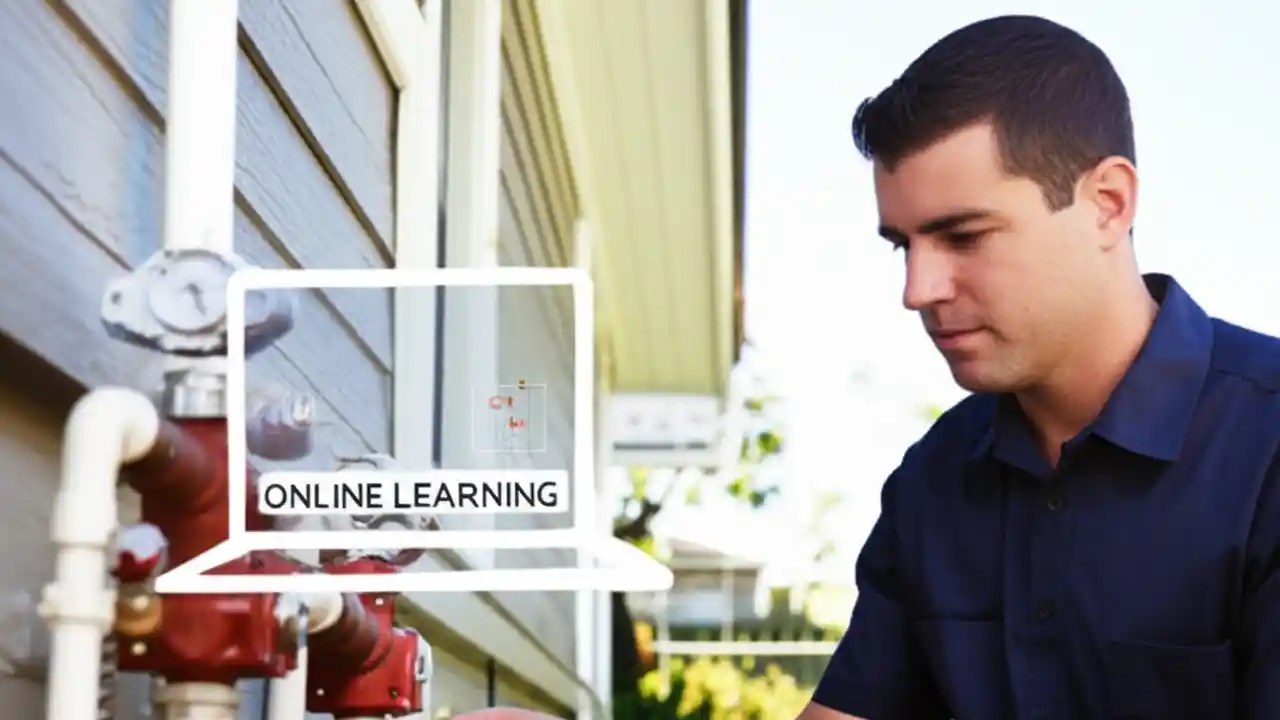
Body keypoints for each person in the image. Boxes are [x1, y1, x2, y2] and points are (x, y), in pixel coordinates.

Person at [457, 13, 1280, 720]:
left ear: (1107, 203)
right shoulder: (936, 480)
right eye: (902, 245)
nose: (918, 290)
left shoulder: (1267, 444)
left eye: (963, 236)